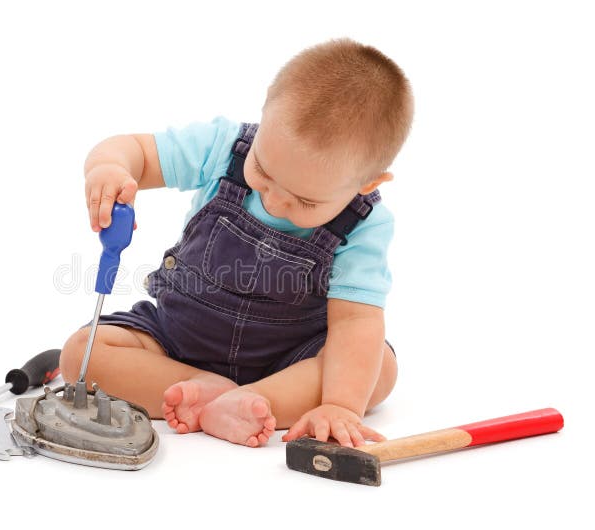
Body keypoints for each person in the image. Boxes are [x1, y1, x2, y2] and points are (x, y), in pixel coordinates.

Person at [60, 38, 414, 448]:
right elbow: (137, 149)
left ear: (366, 183)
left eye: (305, 201)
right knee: (80, 354)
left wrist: (340, 404)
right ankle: (199, 388)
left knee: (377, 369)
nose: (274, 200)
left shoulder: (364, 225)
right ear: (265, 114)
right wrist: (110, 166)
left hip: (288, 360)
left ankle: (256, 400)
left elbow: (356, 322)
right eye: (262, 169)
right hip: (178, 341)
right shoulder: (222, 147)